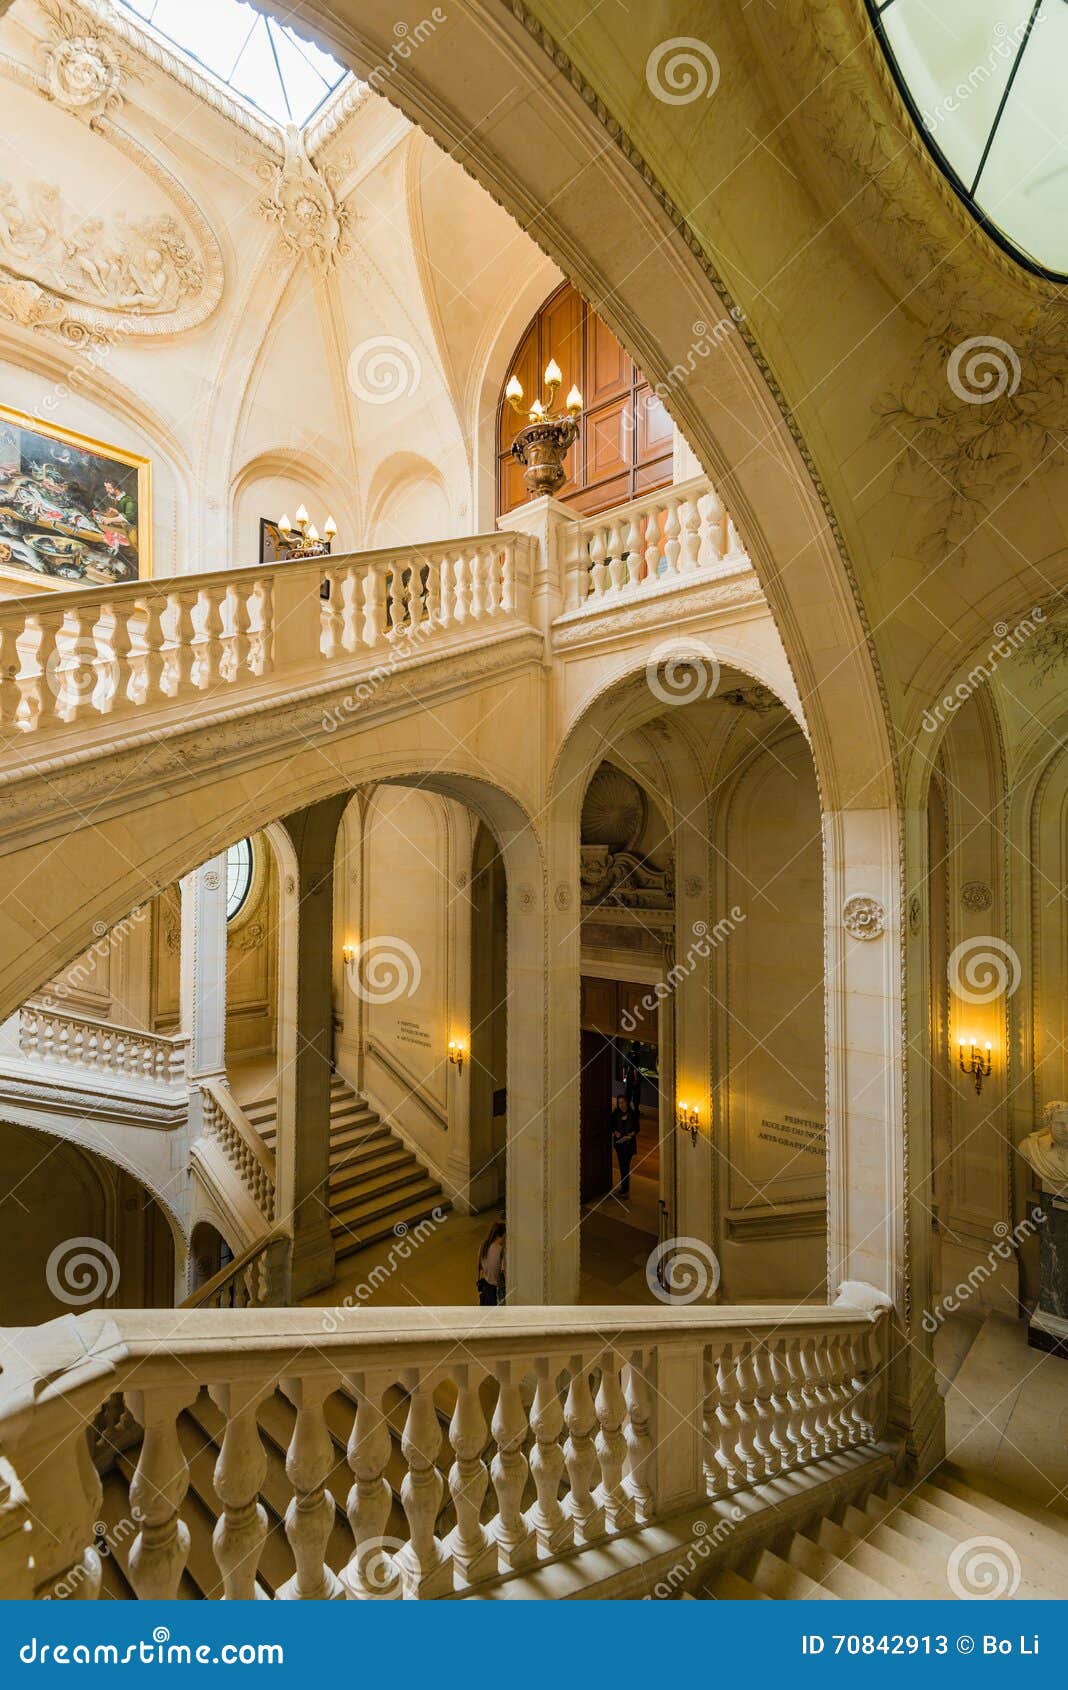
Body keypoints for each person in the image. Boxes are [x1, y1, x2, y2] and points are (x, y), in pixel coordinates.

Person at [610, 1098, 638, 1198]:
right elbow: (611, 1126)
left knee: (625, 1166)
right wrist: (615, 1132)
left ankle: (625, 1189)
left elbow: (637, 1128)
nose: (621, 1104)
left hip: (629, 1144)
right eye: (619, 1103)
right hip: (619, 1144)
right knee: (622, 1166)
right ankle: (624, 1188)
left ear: (626, 1102)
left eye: (623, 1102)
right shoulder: (615, 1114)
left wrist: (632, 1133)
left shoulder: (632, 1114)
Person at [476, 1220, 506, 1305]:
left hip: (485, 1288)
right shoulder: (501, 1250)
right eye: (505, 1236)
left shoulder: (483, 1245)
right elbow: (504, 1273)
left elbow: (478, 1267)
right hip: (496, 1291)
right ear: (501, 1236)